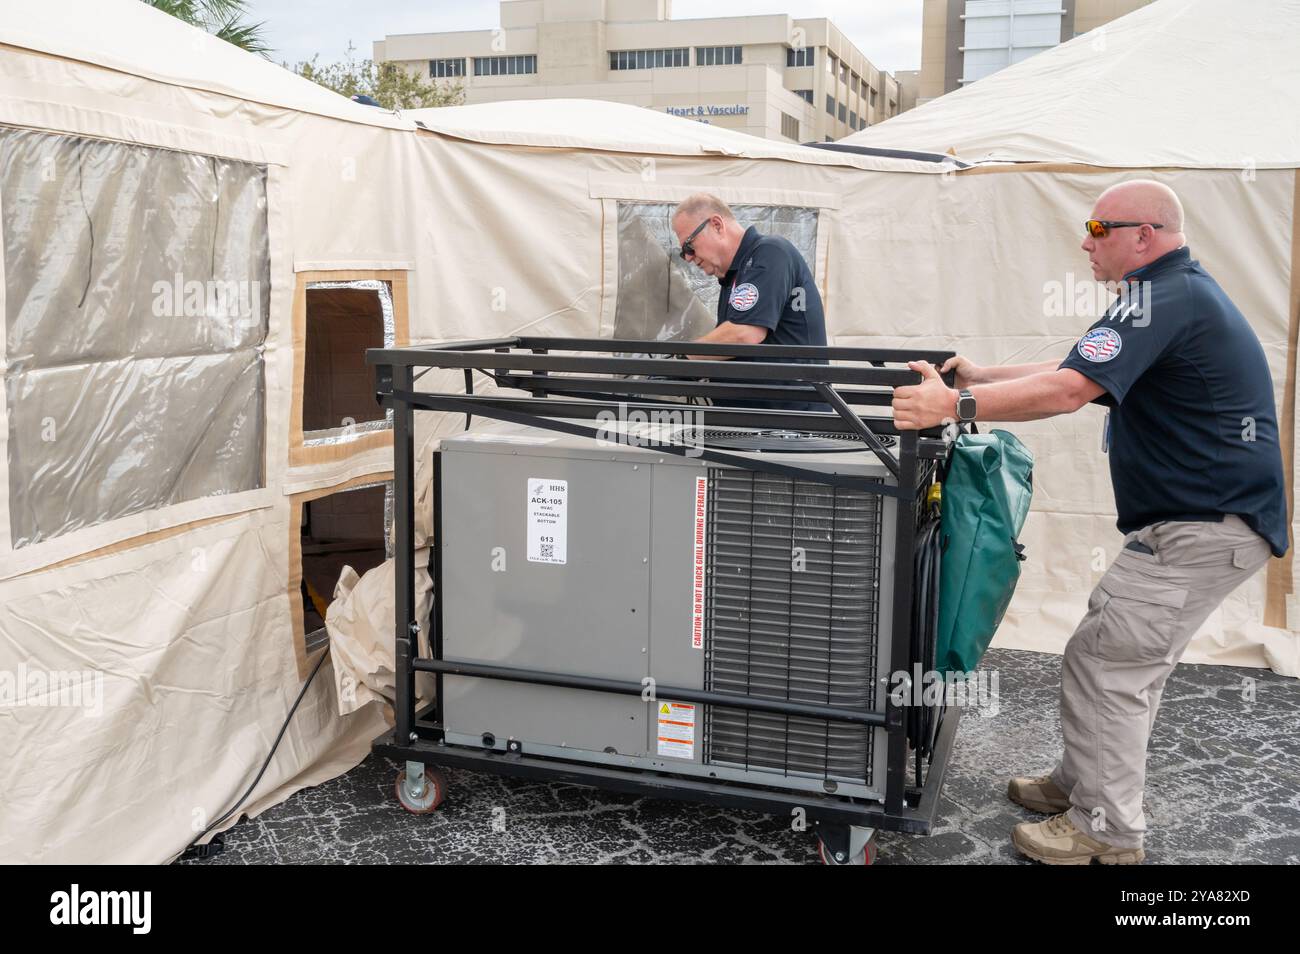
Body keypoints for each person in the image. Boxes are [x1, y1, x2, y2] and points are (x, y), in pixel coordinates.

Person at [892, 179, 1288, 864]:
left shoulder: (1166, 297)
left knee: (1111, 666)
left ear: (1147, 235)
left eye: (1099, 230)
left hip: (1203, 528)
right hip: (1198, 525)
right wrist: (980, 377)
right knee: (1102, 653)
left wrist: (955, 409)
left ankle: (1106, 830)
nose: (1085, 242)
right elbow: (1080, 364)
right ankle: (1082, 783)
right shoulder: (1161, 297)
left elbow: (1069, 391)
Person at [670, 193, 827, 411]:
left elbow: (744, 334)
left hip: (789, 425)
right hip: (756, 422)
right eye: (683, 252)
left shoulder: (770, 252)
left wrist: (683, 361)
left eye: (689, 246)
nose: (687, 257)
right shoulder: (734, 276)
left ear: (716, 225)